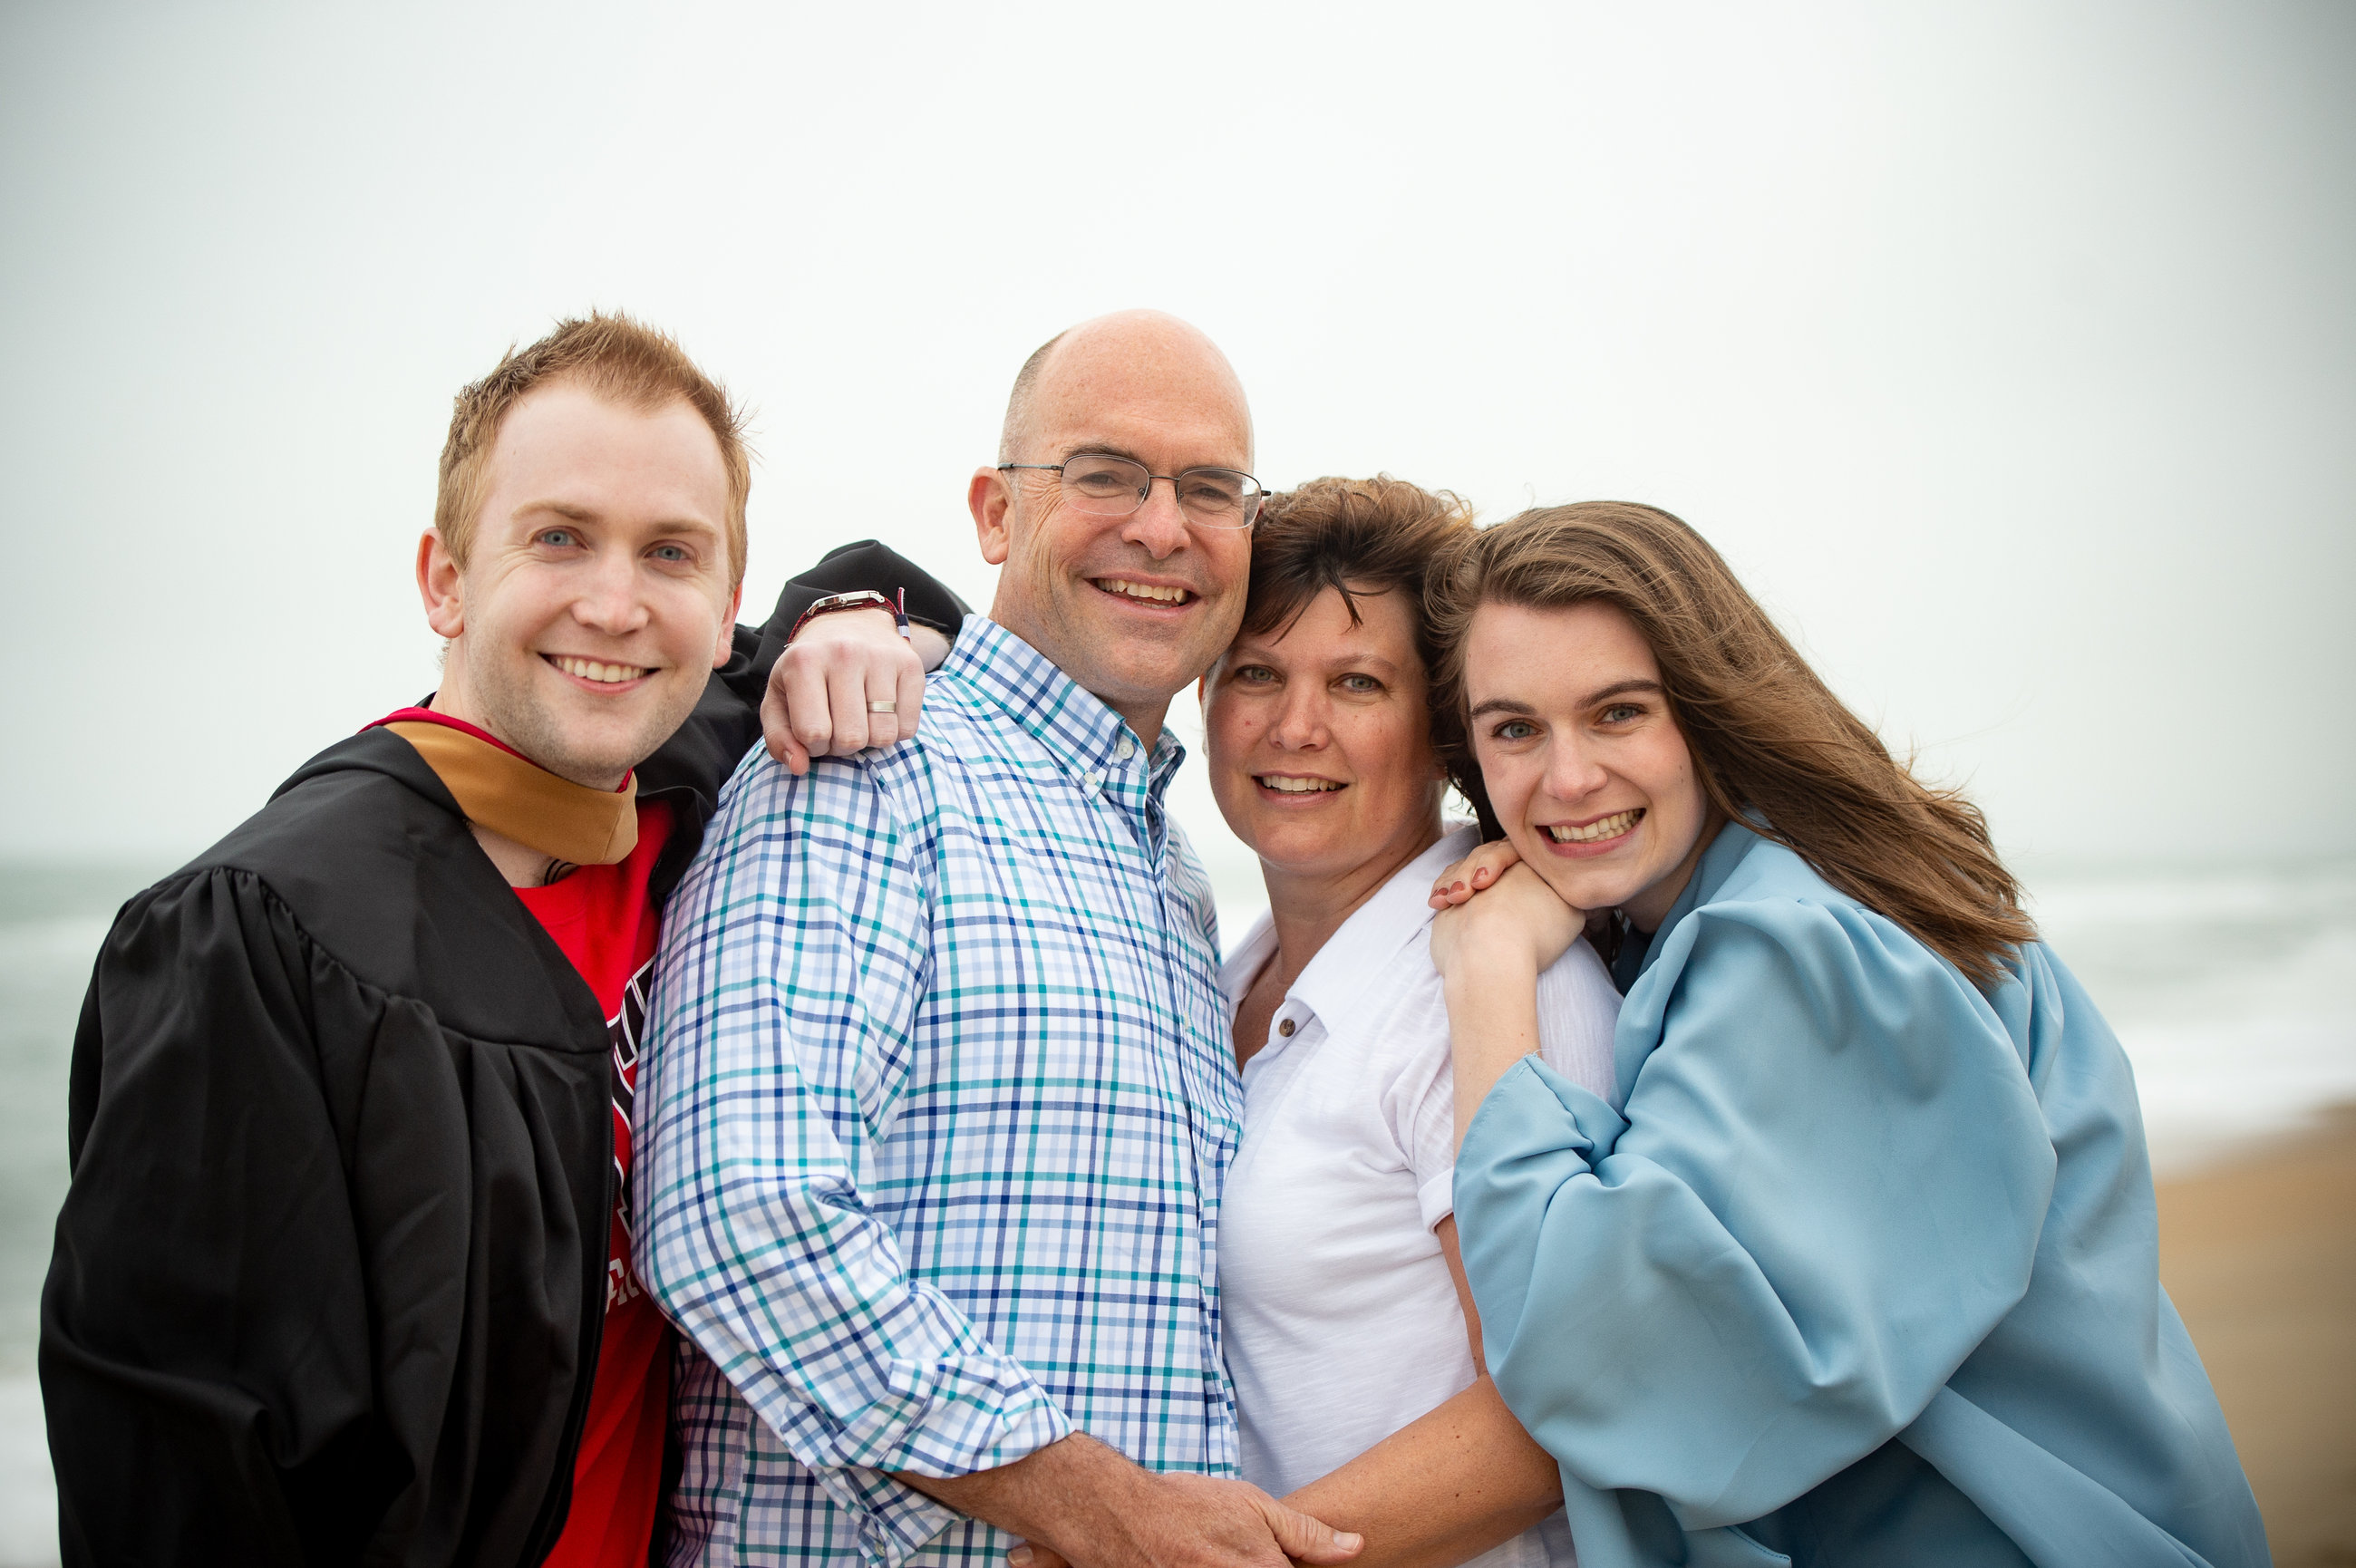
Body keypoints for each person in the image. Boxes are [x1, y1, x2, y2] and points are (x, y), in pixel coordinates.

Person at [41, 313, 960, 1567]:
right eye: (557, 536)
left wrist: (857, 618)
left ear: (723, 610)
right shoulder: (267, 935)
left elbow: (884, 603)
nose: (614, 604)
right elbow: (182, 1481)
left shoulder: (690, 784)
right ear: (444, 579)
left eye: (670, 552)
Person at [633, 312, 1367, 1568]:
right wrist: (1094, 1505)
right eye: (1104, 474)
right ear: (994, 513)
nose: (1161, 527)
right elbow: (732, 1210)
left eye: (1209, 489)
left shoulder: (1175, 876)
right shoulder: (868, 763)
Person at [1424, 502, 2269, 1567]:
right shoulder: (1783, 894)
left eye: (1619, 712)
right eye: (1514, 728)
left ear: (1712, 706)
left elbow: (1594, 1346)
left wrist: (1488, 969)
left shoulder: (1802, 952)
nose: (1567, 777)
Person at [1202, 477, 1619, 1566]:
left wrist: (1214, 1555)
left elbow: (1552, 1415)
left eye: (1357, 682)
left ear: (1442, 732)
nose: (1296, 726)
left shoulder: (1496, 986)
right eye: (1256, 672)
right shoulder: (1217, 972)